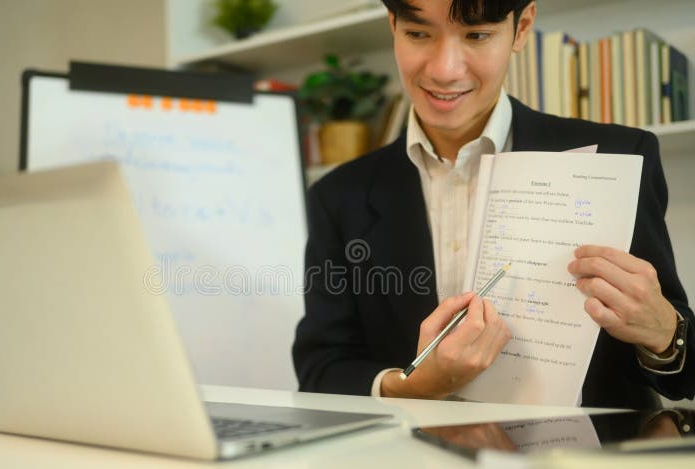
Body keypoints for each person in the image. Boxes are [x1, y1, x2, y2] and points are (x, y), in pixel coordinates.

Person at [292, 0, 695, 408]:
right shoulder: (337, 196)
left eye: (477, 35)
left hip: (586, 464)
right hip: (417, 465)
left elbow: (685, 373)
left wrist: (665, 332)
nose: (444, 70)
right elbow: (321, 367)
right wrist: (413, 386)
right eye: (418, 34)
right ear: (393, 25)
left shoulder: (620, 158)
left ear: (521, 29)